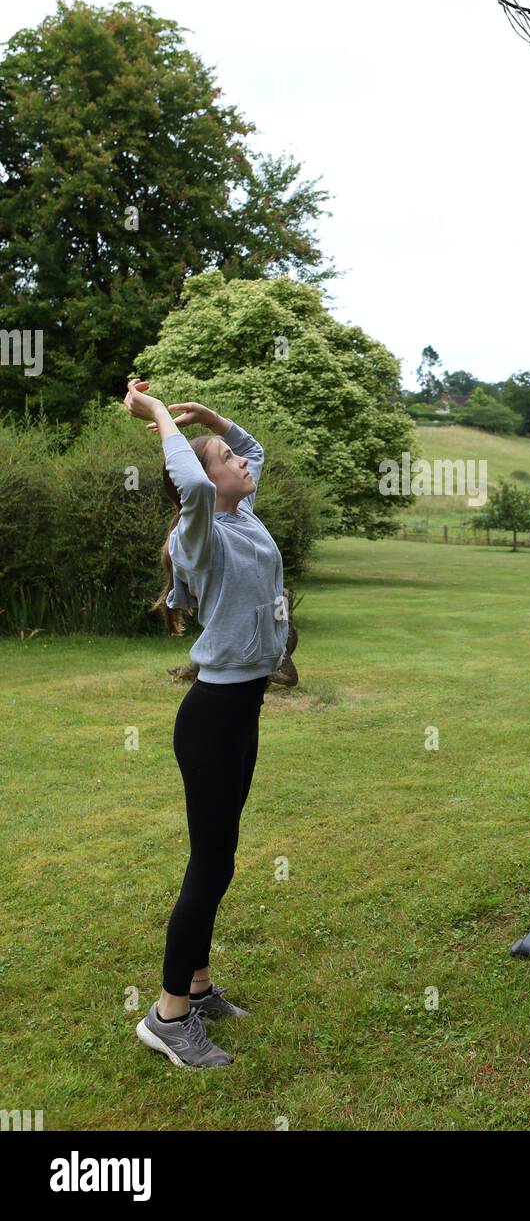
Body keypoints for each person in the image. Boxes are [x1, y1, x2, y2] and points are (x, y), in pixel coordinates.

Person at [123, 378, 289, 1069]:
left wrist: (215, 420)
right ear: (209, 479)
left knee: (220, 857)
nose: (244, 463)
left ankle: (198, 984)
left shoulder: (243, 514)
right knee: (209, 863)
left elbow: (250, 450)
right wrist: (158, 414)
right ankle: (167, 1015)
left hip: (241, 707)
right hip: (214, 717)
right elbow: (191, 485)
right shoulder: (203, 529)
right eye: (228, 459)